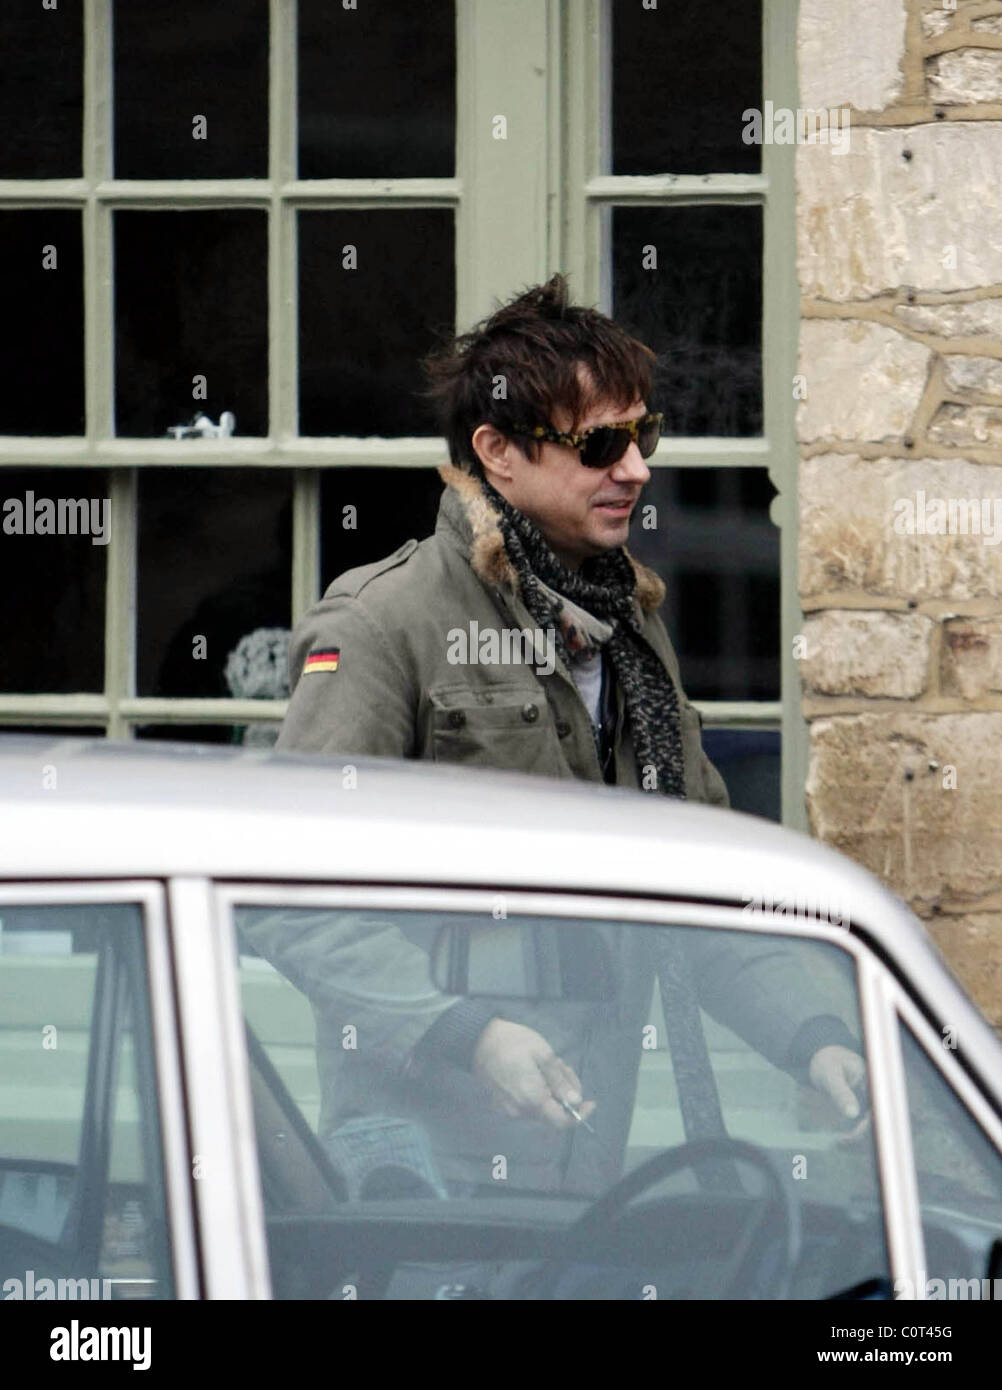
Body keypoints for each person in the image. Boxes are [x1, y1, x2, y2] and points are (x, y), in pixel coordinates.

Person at [246, 274, 864, 1196]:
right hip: (419, 1160)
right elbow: (284, 894)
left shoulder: (628, 625)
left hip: (591, 1140)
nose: (637, 468)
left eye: (642, 436)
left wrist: (816, 1041)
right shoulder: (386, 623)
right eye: (601, 444)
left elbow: (700, 877)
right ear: (497, 451)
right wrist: (467, 1035)